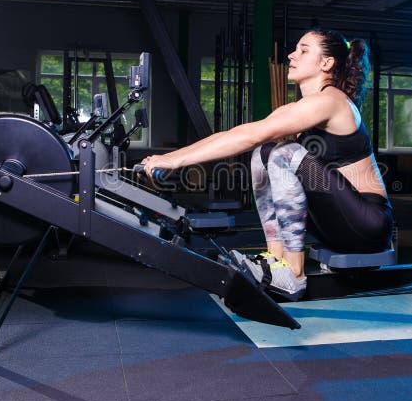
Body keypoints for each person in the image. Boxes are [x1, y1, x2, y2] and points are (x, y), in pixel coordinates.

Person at [142, 28, 394, 300]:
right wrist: (171, 158)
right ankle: (276, 259)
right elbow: (241, 133)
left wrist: (174, 160)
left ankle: (293, 274)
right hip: (336, 223)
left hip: (368, 223)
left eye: (303, 50)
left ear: (326, 63)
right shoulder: (306, 105)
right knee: (264, 152)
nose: (291, 55)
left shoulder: (330, 101)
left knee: (282, 153)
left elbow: (250, 135)